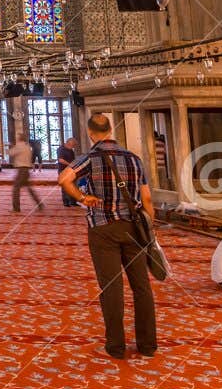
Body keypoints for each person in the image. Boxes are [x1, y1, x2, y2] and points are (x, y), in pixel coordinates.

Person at [59, 113, 156, 360]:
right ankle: (147, 345)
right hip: (134, 228)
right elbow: (146, 199)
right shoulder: (134, 159)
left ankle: (116, 346)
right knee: (142, 287)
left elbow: (64, 179)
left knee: (111, 288)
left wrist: (82, 198)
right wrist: (149, 229)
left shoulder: (90, 158)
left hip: (103, 229)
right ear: (111, 130)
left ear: (90, 133)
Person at [8, 132, 44, 212]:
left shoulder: (19, 146)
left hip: (21, 170)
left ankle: (16, 208)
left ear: (19, 138)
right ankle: (40, 204)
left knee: (16, 189)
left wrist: (9, 146)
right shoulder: (27, 146)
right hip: (26, 170)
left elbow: (10, 153)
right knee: (29, 188)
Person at [57, 137, 79, 206]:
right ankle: (66, 202)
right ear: (68, 143)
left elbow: (73, 159)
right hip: (63, 170)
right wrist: (70, 165)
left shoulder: (71, 150)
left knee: (74, 186)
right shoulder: (61, 149)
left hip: (71, 170)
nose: (73, 147)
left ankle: (73, 201)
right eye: (73, 146)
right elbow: (60, 160)